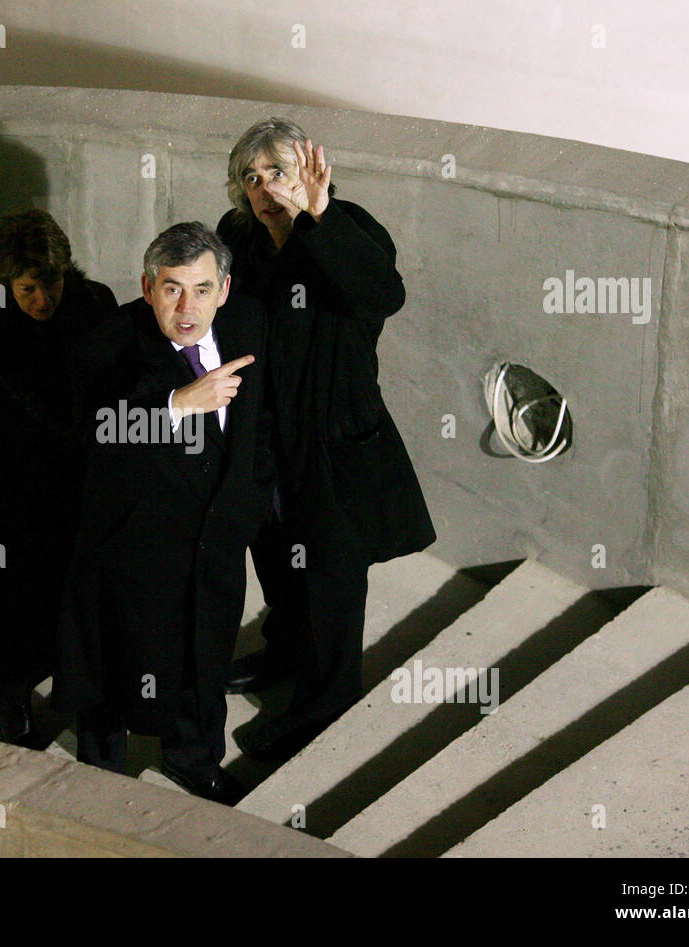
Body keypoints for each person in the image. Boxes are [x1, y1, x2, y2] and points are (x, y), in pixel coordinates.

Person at [217, 117, 436, 762]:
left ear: (312, 174)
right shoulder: (238, 236)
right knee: (277, 558)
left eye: (276, 173)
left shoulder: (348, 230)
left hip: (333, 441)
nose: (262, 190)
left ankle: (326, 700)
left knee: (332, 579)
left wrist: (317, 217)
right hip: (264, 437)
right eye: (250, 179)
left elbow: (381, 293)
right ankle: (283, 655)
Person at [56, 222, 272, 805]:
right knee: (115, 662)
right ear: (148, 286)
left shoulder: (249, 322)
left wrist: (249, 504)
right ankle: (99, 776)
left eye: (202, 290)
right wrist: (178, 405)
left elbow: (262, 426)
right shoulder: (103, 347)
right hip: (133, 549)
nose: (187, 308)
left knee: (204, 656)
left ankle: (194, 760)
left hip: (217, 543)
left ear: (223, 289)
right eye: (172, 289)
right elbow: (98, 432)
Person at [0, 210, 116, 747]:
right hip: (4, 502)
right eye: (28, 287)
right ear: (4, 285)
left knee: (76, 604)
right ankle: (12, 700)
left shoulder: (94, 308)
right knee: (8, 609)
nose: (42, 299)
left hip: (78, 490)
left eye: (51, 283)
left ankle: (78, 692)